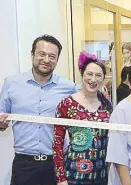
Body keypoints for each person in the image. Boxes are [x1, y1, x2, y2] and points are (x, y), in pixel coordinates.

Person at [0, 34, 76, 185]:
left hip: (57, 164)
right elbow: (2, 117)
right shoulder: (11, 83)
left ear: (57, 60)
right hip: (24, 164)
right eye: (42, 54)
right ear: (32, 55)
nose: (46, 60)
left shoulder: (69, 87)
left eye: (52, 56)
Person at [53, 51, 113, 185]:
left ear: (103, 78)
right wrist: (61, 178)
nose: (93, 79)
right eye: (89, 74)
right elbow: (57, 143)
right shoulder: (67, 104)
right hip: (73, 175)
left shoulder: (106, 105)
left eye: (98, 75)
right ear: (82, 74)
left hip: (102, 175)